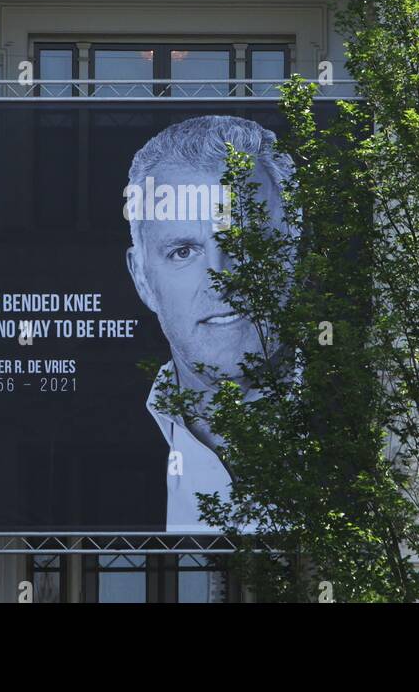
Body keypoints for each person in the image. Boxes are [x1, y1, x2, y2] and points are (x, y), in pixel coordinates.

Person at [123, 115, 293, 532]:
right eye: (183, 251)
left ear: (293, 247)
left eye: (244, 242)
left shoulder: (369, 412)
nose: (222, 279)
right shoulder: (84, 443)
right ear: (142, 278)